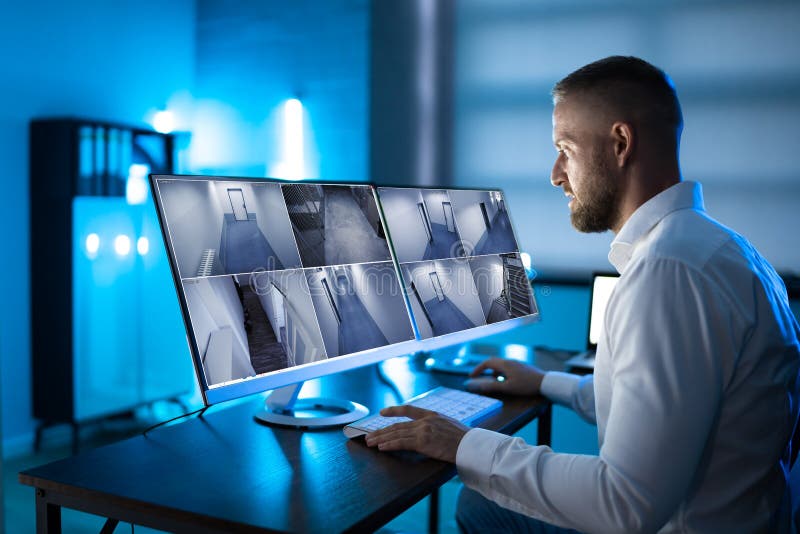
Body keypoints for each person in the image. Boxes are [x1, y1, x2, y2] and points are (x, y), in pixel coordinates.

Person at [365, 56, 800, 532]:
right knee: (480, 503)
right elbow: (665, 408)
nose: (555, 173)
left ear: (620, 144)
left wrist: (461, 443)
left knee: (477, 504)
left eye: (565, 149)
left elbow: (625, 503)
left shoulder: (668, 271)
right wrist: (548, 383)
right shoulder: (724, 249)